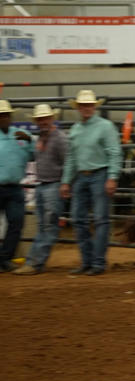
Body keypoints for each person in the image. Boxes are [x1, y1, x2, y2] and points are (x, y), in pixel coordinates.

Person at [60, 90, 122, 276]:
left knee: (101, 220)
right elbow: (71, 157)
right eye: (83, 105)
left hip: (99, 174)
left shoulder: (105, 126)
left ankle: (97, 262)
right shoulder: (76, 129)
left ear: (94, 107)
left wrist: (112, 176)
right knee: (79, 219)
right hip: (81, 176)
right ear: (78, 108)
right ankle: (88, 261)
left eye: (89, 105)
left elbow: (114, 151)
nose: (86, 108)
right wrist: (66, 181)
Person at [13, 105, 67, 276]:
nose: (42, 121)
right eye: (40, 119)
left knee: (48, 226)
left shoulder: (59, 138)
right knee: (45, 226)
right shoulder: (42, 138)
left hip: (53, 185)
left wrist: (65, 183)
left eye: (45, 118)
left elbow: (68, 162)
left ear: (51, 119)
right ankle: (35, 261)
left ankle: (34, 263)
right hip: (43, 184)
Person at [0, 100, 34, 273]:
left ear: (11, 116)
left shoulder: (21, 134)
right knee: (14, 223)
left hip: (14, 187)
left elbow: (34, 155)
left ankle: (5, 258)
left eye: (6, 115)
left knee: (16, 222)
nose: (4, 118)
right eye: (1, 116)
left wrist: (30, 140)